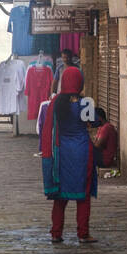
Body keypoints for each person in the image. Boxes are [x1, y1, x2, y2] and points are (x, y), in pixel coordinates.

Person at [40, 66, 98, 243]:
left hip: (62, 154)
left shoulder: (56, 103)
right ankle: (83, 233)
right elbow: (94, 121)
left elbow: (47, 128)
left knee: (60, 196)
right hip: (82, 152)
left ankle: (56, 233)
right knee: (83, 195)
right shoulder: (85, 103)